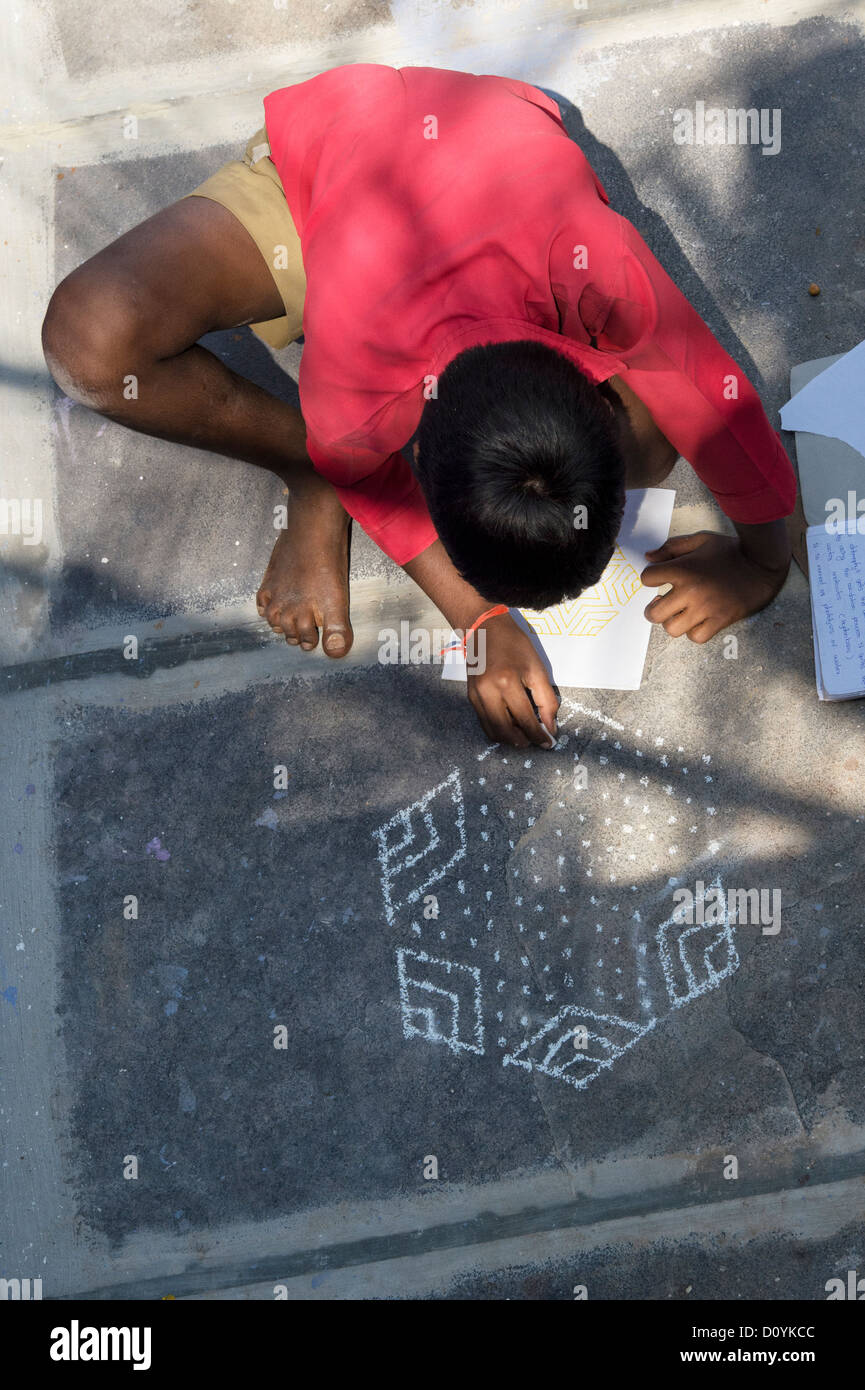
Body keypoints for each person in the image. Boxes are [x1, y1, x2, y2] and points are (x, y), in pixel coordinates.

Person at [42, 64, 795, 750]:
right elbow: (372, 478)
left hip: (489, 142)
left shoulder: (597, 264)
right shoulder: (352, 395)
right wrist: (479, 619)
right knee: (90, 346)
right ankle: (307, 473)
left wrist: (763, 561)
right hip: (329, 173)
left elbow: (715, 399)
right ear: (412, 449)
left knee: (652, 449)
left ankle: (331, 473)